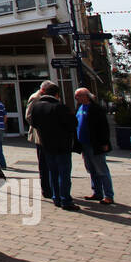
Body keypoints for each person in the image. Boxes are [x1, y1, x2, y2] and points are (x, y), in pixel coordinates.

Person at [28, 81, 78, 210]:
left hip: (46, 144)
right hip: (61, 144)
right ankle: (65, 199)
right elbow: (72, 125)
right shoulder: (59, 107)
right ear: (57, 94)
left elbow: (33, 122)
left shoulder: (38, 107)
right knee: (64, 173)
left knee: (52, 172)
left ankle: (56, 197)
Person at [74, 87, 115, 205]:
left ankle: (108, 195)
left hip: (95, 144)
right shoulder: (79, 108)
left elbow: (103, 127)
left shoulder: (96, 109)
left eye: (78, 95)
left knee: (101, 169)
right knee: (91, 169)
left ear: (86, 96)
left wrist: (105, 143)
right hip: (84, 144)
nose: (76, 98)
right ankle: (97, 192)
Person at [26, 88, 52, 199]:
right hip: (41, 135)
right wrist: (41, 126)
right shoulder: (36, 98)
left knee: (50, 163)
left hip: (49, 136)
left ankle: (52, 187)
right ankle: (47, 189)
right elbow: (29, 116)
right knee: (44, 164)